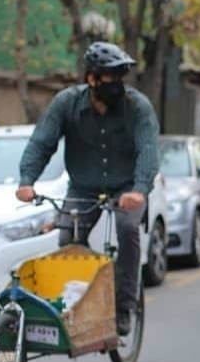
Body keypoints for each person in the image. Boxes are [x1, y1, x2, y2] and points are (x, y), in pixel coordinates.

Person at [16, 41, 159, 336]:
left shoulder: (138, 106)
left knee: (128, 229)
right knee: (68, 237)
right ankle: (87, 293)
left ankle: (124, 307)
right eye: (111, 77)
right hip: (83, 187)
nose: (118, 84)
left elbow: (148, 150)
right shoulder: (65, 103)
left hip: (127, 187)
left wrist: (140, 189)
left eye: (122, 77)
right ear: (92, 79)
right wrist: (27, 181)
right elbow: (42, 143)